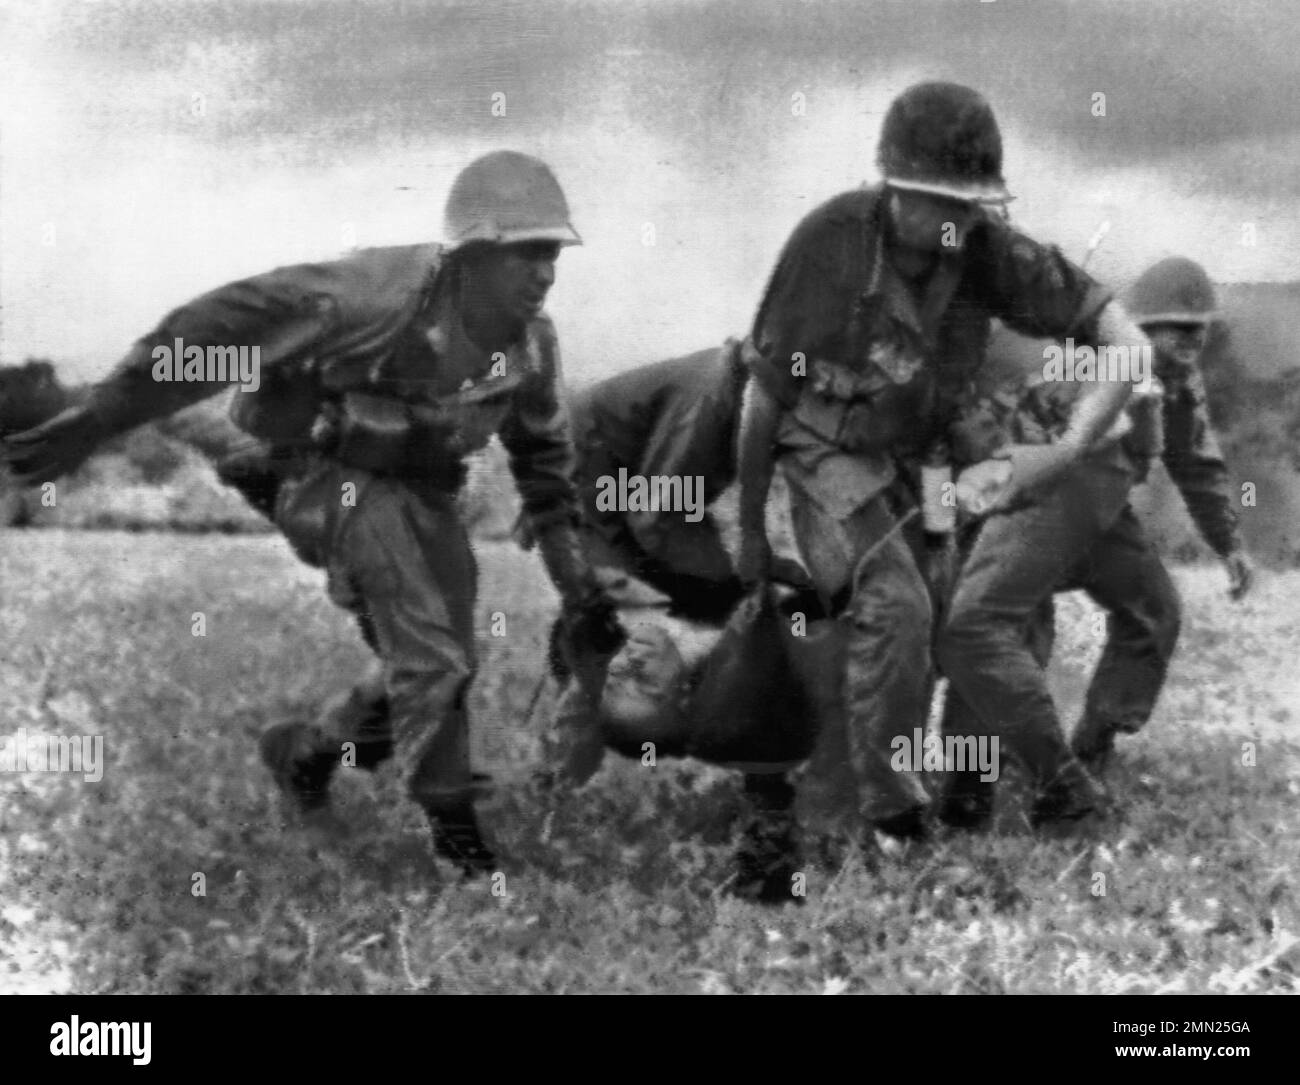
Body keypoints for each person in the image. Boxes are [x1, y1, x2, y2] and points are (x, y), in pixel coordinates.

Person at [1, 150, 626, 878]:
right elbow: (212, 330)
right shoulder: (369, 298)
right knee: (434, 659)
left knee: (440, 661)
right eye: (525, 252)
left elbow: (546, 476)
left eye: (551, 252)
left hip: (423, 492)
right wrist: (98, 417)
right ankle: (460, 846)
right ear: (472, 252)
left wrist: (579, 588)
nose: (545, 272)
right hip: (324, 474)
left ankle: (306, 752)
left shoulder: (530, 349)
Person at [736, 81, 1157, 843]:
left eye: (972, 205)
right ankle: (891, 815)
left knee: (953, 611)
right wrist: (749, 536)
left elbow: (1130, 345)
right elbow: (763, 400)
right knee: (896, 606)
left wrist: (1065, 452)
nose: (959, 222)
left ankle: (954, 780)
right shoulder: (826, 244)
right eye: (941, 203)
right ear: (893, 188)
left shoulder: (988, 249)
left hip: (924, 457)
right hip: (829, 447)